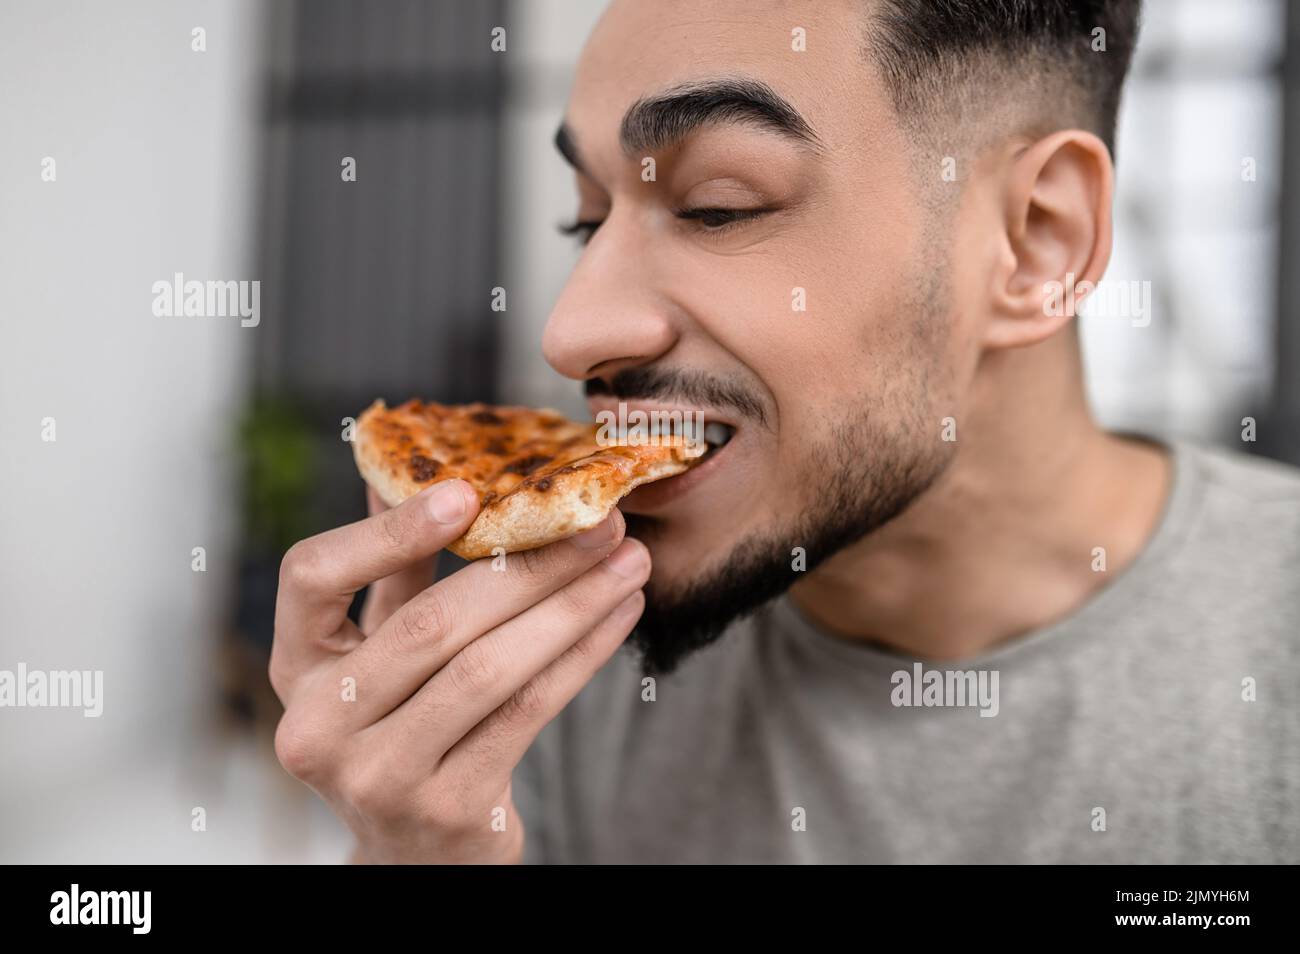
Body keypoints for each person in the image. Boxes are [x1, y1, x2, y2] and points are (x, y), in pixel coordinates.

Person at [269, 0, 1300, 863]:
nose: (570, 331)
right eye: (586, 219)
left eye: (717, 207)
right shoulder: (536, 696)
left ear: (1035, 243)